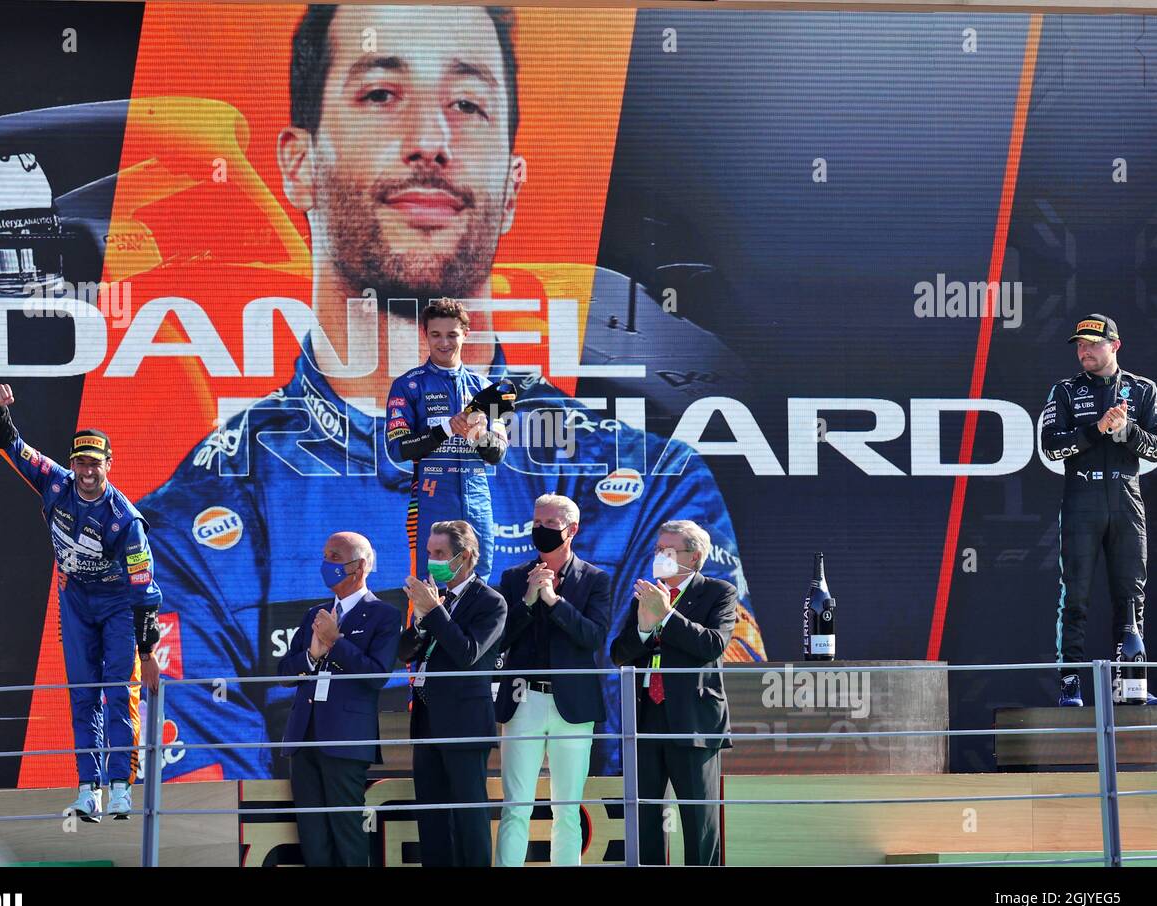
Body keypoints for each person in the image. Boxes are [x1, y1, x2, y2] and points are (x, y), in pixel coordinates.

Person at [136, 3, 764, 784]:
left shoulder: (653, 486)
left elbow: (680, 734)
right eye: (381, 95)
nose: (431, 142)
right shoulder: (189, 523)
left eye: (466, 104)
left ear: (510, 182)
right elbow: (217, 817)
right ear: (297, 164)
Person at [0, 383, 163, 821]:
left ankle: (121, 788)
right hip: (77, 602)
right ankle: (89, 790)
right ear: (71, 464)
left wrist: (149, 652)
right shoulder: (54, 483)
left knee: (119, 693)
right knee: (82, 694)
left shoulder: (125, 520)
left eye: (95, 464)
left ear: (109, 465)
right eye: (81, 462)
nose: (87, 472)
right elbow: (11, 446)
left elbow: (144, 590)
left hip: (120, 603)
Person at [1042, 314, 1157, 707]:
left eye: (1092, 345)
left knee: (1131, 598)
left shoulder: (1143, 390)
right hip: (1082, 500)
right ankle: (1070, 685)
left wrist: (1125, 431)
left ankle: (1129, 685)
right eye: (1079, 345)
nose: (1084, 352)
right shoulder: (1063, 391)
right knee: (1075, 597)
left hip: (1127, 500)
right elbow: (1050, 446)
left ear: (1115, 345)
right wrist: (1096, 430)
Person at [493, 493, 609, 867]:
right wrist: (528, 599)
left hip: (572, 705)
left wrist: (554, 602)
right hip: (523, 700)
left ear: (572, 530)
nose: (539, 530)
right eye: (536, 523)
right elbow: (501, 640)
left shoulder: (595, 579)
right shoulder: (514, 578)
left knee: (568, 808)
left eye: (549, 524)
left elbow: (593, 637)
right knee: (515, 806)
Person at [611, 520, 734, 866]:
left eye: (667, 550)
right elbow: (620, 653)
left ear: (693, 557)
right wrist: (643, 627)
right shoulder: (649, 592)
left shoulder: (718, 592)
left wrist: (666, 615)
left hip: (693, 722)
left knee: (698, 820)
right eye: (657, 549)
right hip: (646, 718)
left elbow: (712, 645)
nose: (659, 556)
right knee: (646, 818)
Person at [279, 532, 401, 866]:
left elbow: (376, 676)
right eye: (325, 556)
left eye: (334, 557)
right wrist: (312, 654)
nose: (325, 564)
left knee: (346, 832)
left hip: (346, 739)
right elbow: (286, 671)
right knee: (313, 835)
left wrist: (336, 642)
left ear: (359, 566)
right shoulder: (314, 613)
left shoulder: (384, 615)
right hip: (304, 737)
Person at [397, 520, 505, 866]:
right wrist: (418, 620)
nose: (432, 561)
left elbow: (468, 653)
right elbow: (406, 653)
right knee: (431, 814)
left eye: (440, 554)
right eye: (429, 553)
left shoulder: (490, 602)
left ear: (466, 556)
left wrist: (435, 612)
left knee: (468, 814)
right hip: (427, 718)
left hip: (464, 723)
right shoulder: (434, 598)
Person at [387, 298, 509, 580]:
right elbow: (397, 449)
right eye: (436, 335)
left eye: (452, 335)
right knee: (430, 587)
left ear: (465, 334)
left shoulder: (487, 389)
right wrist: (446, 429)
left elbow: (499, 454)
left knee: (479, 585)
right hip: (431, 502)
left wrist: (478, 435)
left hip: (477, 500)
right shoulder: (407, 385)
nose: (444, 343)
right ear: (425, 335)